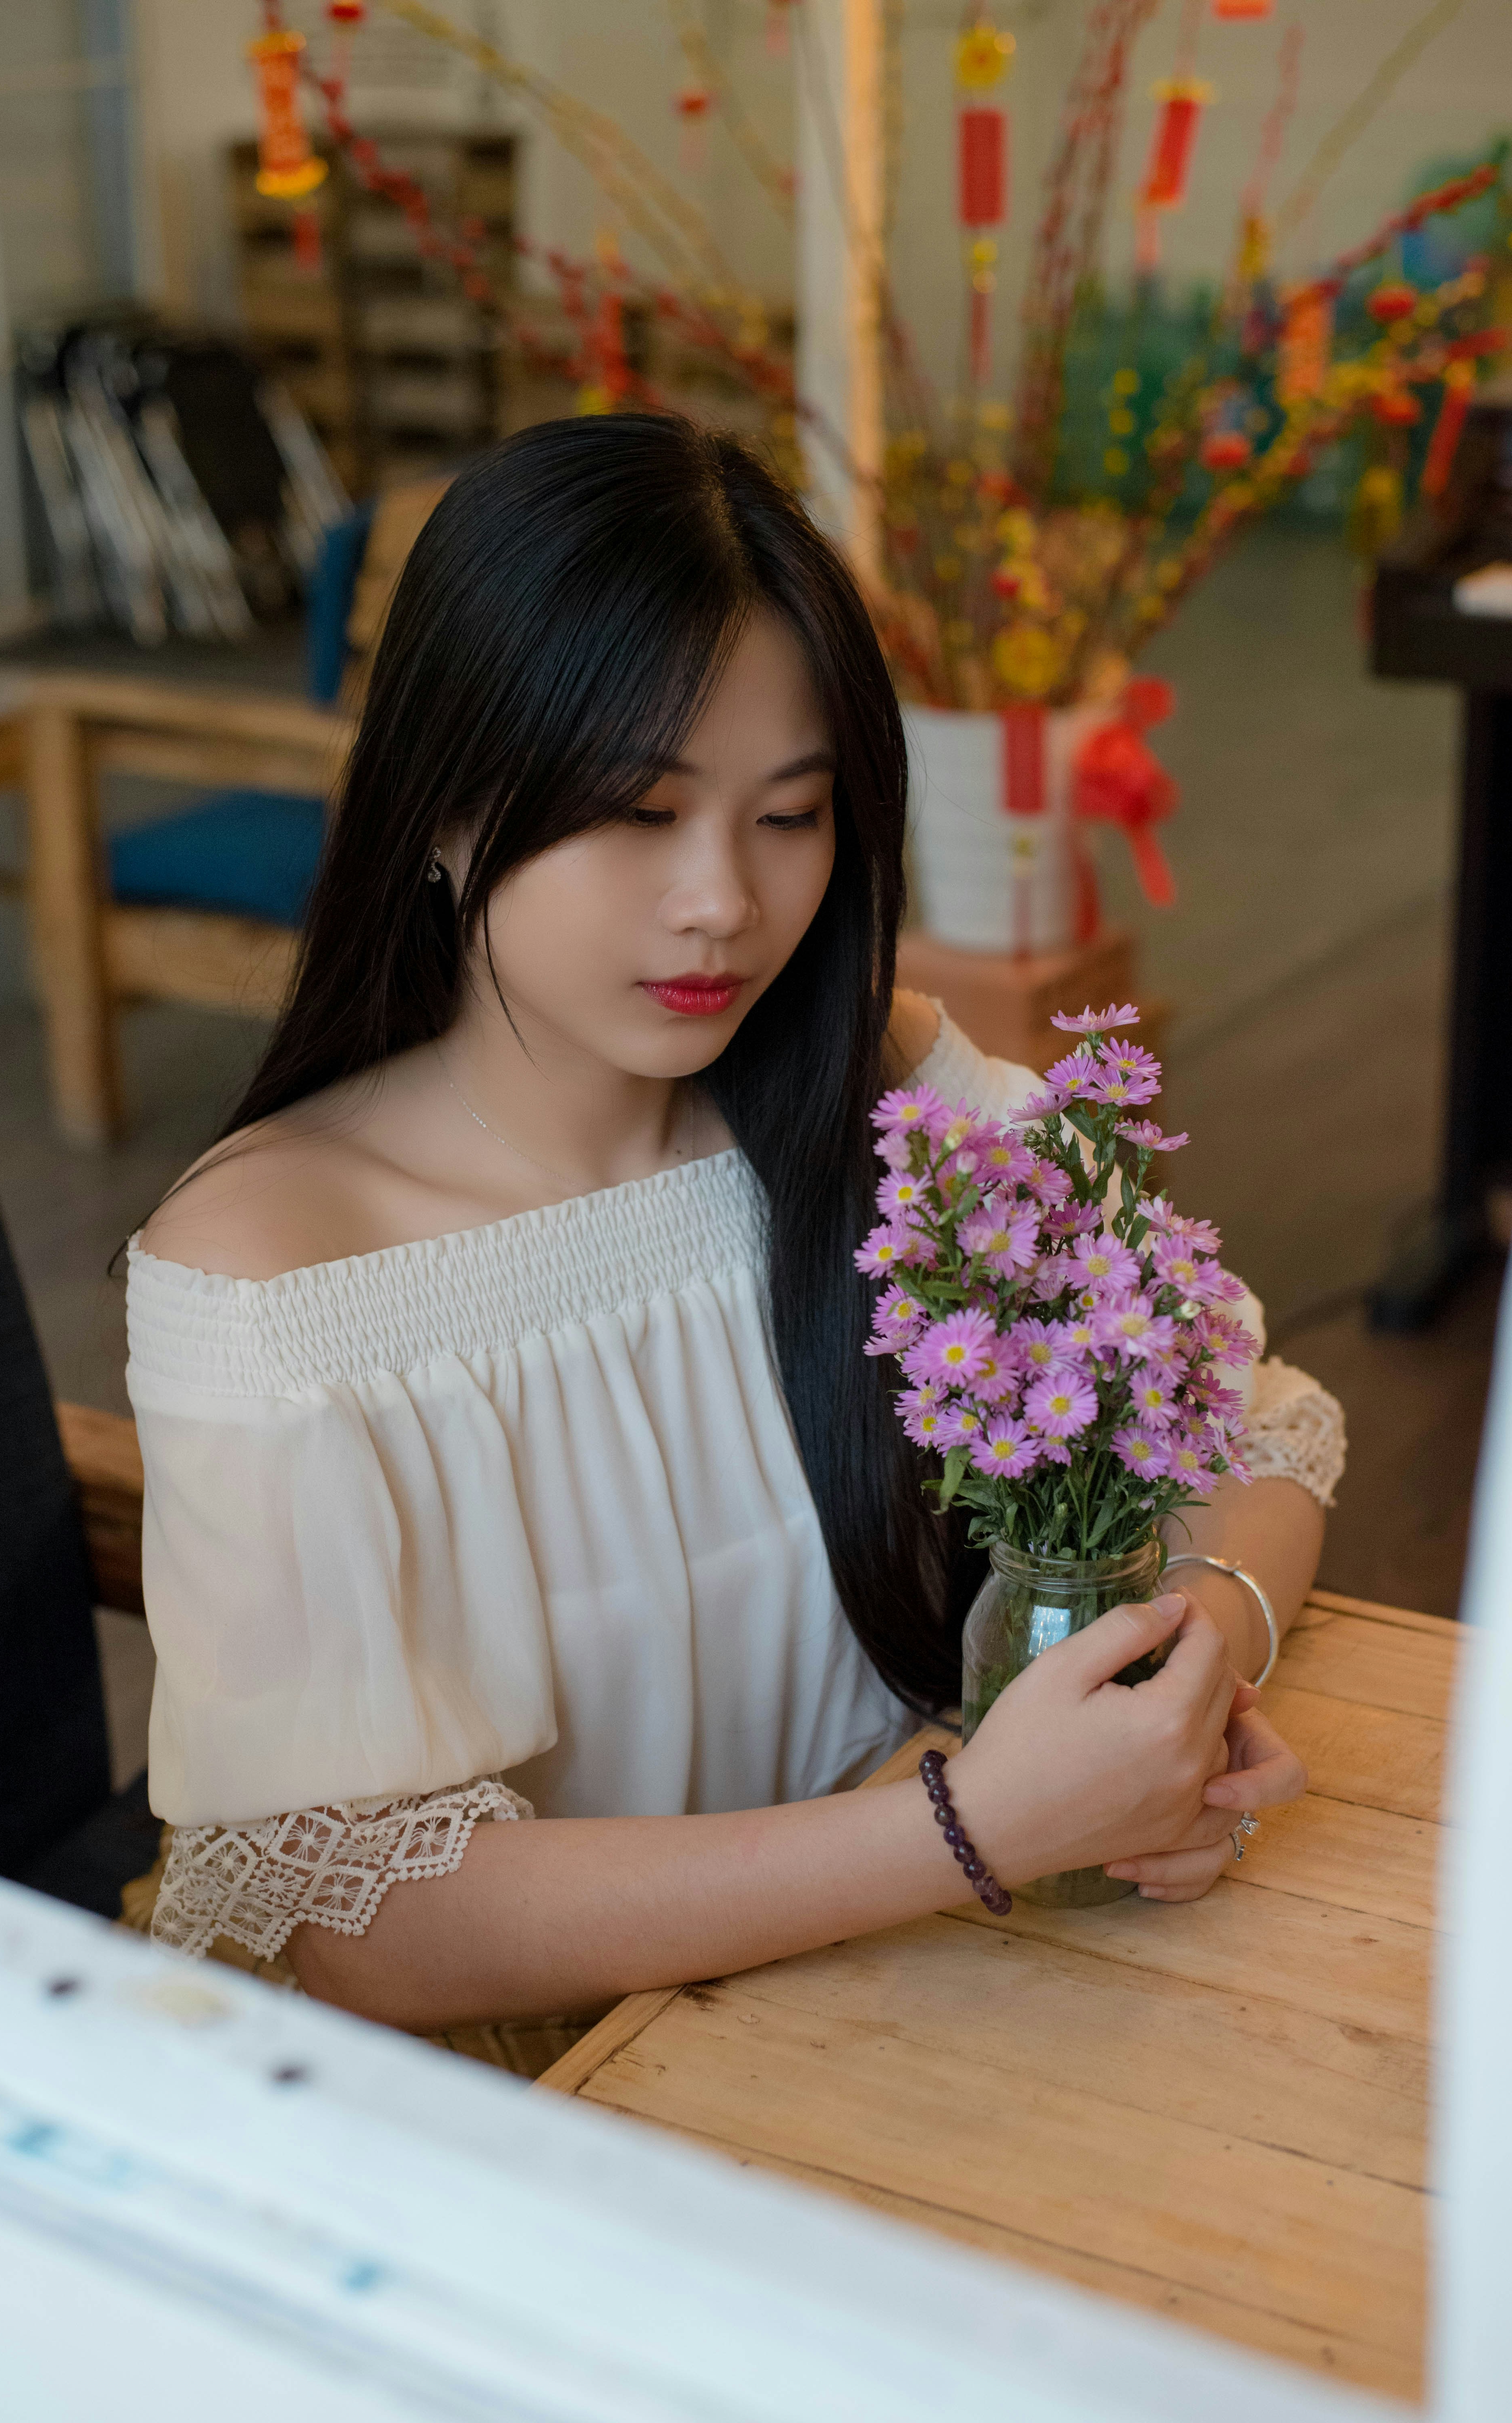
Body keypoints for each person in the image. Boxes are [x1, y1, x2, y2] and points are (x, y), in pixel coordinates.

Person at [129, 416, 1342, 2061]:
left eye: (788, 815)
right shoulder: (271, 1269)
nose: (721, 902)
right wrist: (968, 1826)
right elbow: (358, 1922)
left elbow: (1249, 1420)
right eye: (638, 810)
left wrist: (1177, 1689)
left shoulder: (893, 1090)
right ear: (444, 804)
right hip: (553, 2118)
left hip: (914, 2018)